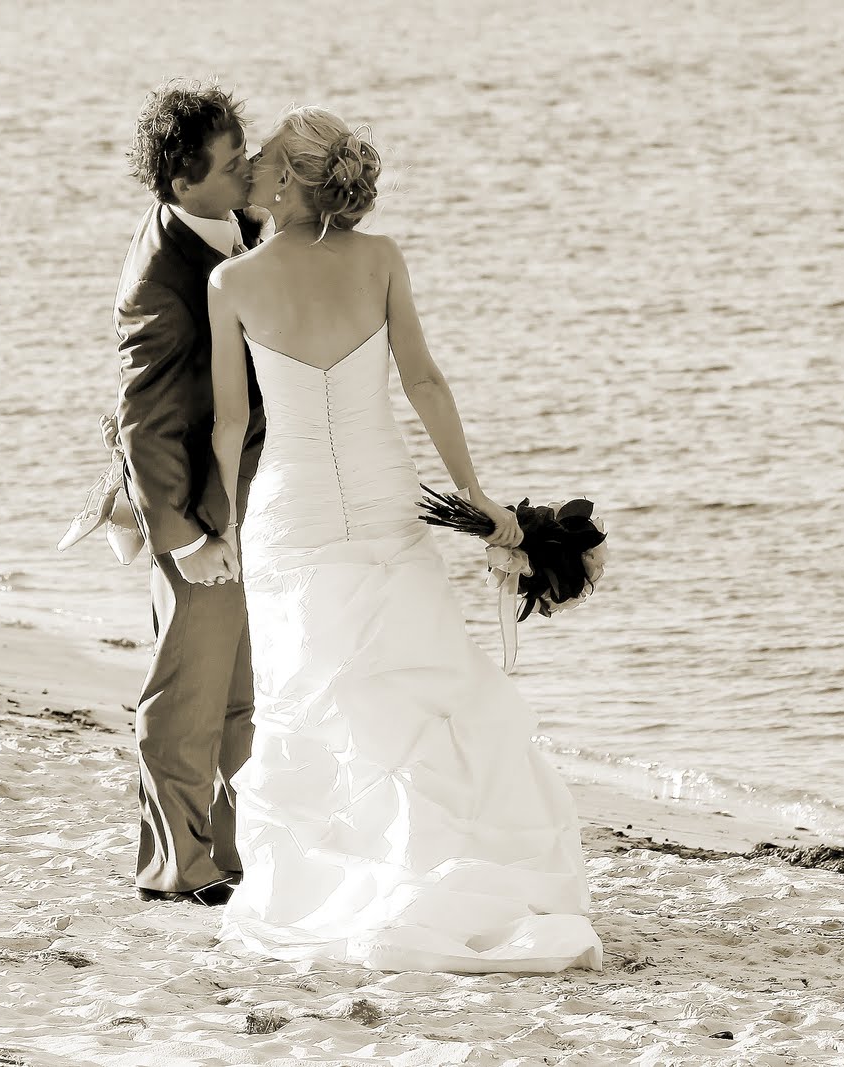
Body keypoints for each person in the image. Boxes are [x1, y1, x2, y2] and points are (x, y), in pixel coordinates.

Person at [205, 105, 604, 973]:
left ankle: (349, 876)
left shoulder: (231, 283)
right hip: (385, 499)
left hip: (293, 512)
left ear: (291, 180)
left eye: (267, 159)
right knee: (420, 686)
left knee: (318, 693)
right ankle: (434, 865)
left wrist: (222, 524)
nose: (256, 171)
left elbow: (232, 422)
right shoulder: (381, 259)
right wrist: (474, 492)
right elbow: (422, 378)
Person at [113, 79, 267, 906]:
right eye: (234, 163)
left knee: (242, 690)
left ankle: (233, 853)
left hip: (247, 497)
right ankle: (175, 866)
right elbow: (144, 423)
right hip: (196, 512)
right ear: (182, 182)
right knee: (187, 694)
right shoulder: (159, 283)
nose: (249, 173)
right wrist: (185, 536)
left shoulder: (235, 225)